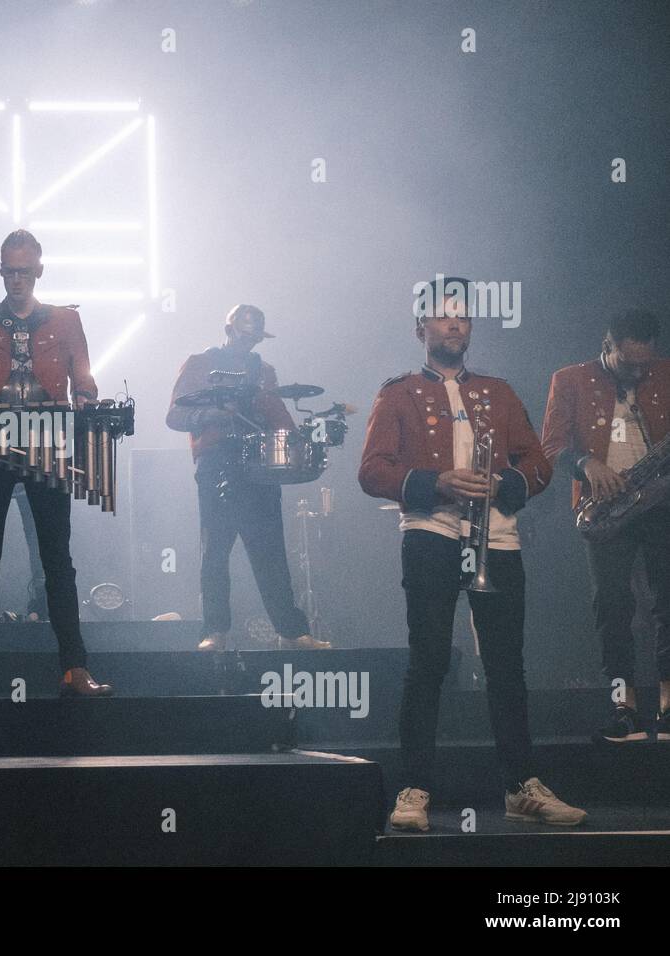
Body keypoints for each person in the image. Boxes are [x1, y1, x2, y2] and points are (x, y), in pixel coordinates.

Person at [358, 277, 585, 831]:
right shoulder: (398, 392)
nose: (454, 324)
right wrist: (437, 482)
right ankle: (413, 789)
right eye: (442, 316)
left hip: (498, 539)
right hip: (432, 534)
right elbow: (370, 471)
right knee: (429, 662)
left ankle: (521, 785)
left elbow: (539, 462)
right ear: (422, 329)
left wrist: (507, 481)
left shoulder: (500, 391)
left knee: (507, 666)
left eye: (461, 317)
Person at [0, 229, 112, 698]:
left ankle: (75, 669)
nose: (17, 279)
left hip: (49, 443)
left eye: (24, 271)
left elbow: (84, 380)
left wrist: (90, 401)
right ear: (0, 270)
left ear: (39, 271)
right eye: (9, 271)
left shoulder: (66, 320)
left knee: (58, 560)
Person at [166, 305, 328, 652]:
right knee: (215, 550)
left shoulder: (264, 370)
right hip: (217, 463)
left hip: (259, 466)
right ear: (230, 331)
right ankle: (215, 631)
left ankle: (290, 630)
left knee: (271, 551)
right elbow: (175, 415)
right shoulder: (199, 363)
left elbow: (279, 415)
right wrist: (216, 413)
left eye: (255, 337)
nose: (250, 342)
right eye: (246, 334)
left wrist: (297, 442)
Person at [541, 309, 670, 743]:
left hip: (662, 503)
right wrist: (586, 463)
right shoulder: (569, 379)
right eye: (628, 363)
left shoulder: (664, 373)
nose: (638, 372)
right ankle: (624, 706)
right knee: (611, 607)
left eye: (644, 364)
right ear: (606, 347)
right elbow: (551, 446)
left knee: (669, 605)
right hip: (606, 507)